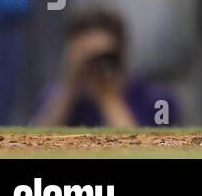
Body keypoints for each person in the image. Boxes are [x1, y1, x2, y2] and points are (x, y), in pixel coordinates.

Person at [31, 8, 179, 128]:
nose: (96, 65)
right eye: (87, 57)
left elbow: (148, 151)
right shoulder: (55, 97)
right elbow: (33, 146)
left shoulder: (156, 99)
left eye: (103, 56)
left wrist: (107, 96)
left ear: (122, 52)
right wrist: (69, 89)